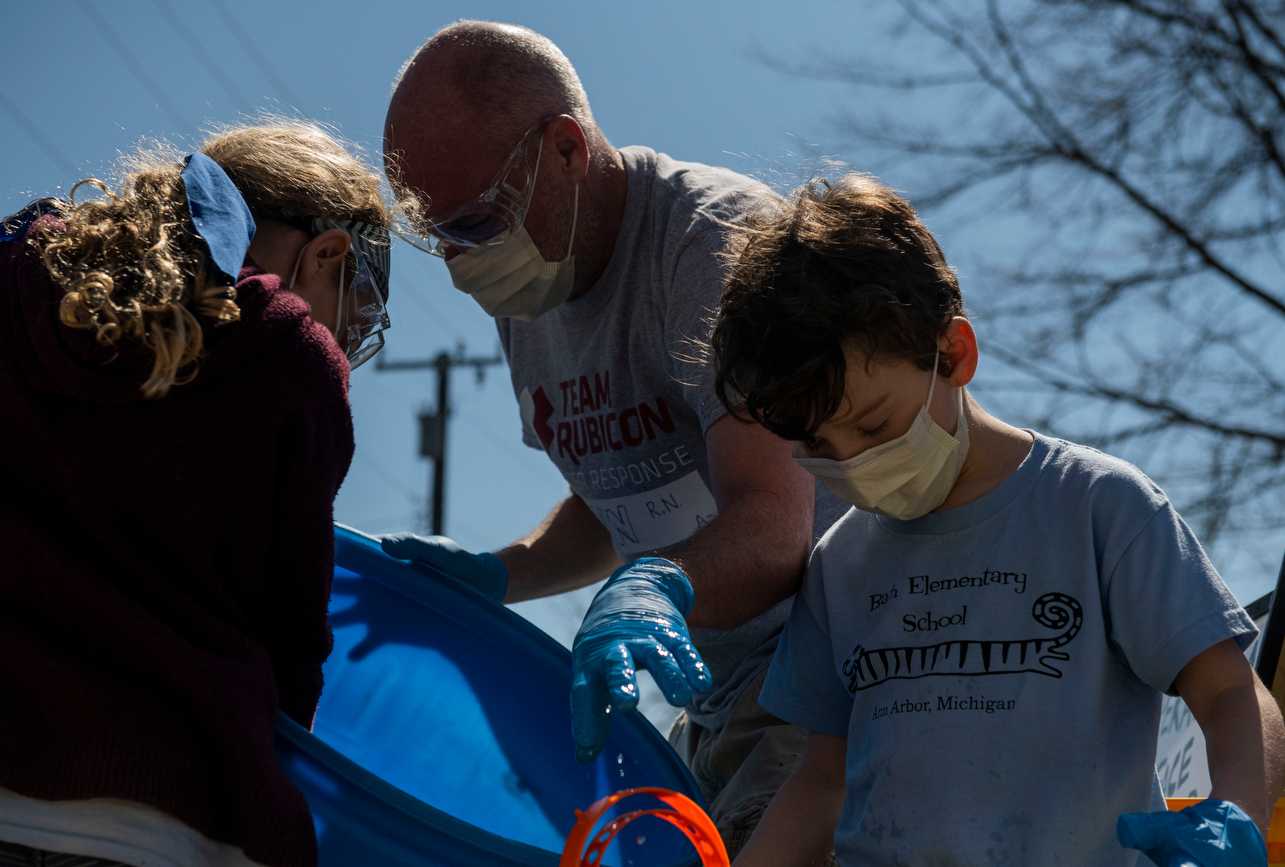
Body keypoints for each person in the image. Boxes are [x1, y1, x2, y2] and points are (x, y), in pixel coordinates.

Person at [709, 173, 1285, 867]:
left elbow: (1231, 692)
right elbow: (823, 780)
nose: (854, 465)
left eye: (873, 424)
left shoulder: (1100, 508)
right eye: (820, 448)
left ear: (953, 353)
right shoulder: (840, 565)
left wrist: (1236, 815)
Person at [380, 20, 845, 856]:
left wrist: (657, 586)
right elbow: (614, 498)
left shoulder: (714, 244)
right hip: (712, 692)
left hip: (833, 685)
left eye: (476, 224)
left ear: (565, 149)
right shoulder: (534, 286)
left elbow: (777, 520)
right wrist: (501, 573)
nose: (456, 262)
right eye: (435, 234)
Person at [0, 119, 411, 867]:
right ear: (327, 254)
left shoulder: (0, 277)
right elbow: (292, 651)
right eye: (358, 323)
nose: (345, 346)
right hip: (155, 818)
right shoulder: (293, 357)